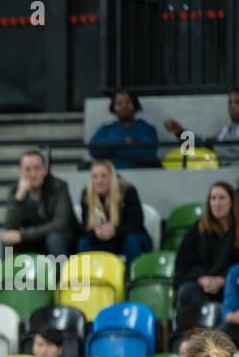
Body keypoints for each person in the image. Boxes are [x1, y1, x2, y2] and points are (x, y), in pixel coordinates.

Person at [175, 182, 239, 325]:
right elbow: (183, 264)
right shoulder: (198, 229)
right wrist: (201, 278)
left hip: (231, 288)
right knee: (187, 290)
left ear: (232, 202)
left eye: (222, 198)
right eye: (213, 198)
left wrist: (224, 280)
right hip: (202, 287)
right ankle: (192, 337)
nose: (217, 203)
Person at [77, 159, 153, 264]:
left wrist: (114, 231)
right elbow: (86, 227)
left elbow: (136, 224)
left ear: (112, 177)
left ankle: (131, 277)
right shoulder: (87, 194)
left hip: (128, 237)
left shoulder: (128, 191)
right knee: (84, 241)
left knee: (131, 240)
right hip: (104, 240)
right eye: (95, 176)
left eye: (103, 176)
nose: (99, 181)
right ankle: (85, 277)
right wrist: (96, 232)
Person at [3, 150, 77, 257]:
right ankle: (8, 273)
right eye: (27, 169)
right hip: (33, 239)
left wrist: (24, 235)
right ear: (20, 172)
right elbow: (10, 226)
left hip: (61, 237)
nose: (33, 174)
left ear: (45, 170)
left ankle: (60, 273)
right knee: (8, 239)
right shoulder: (15, 190)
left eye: (37, 168)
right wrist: (19, 196)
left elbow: (60, 224)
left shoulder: (59, 187)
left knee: (54, 239)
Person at [165, 89, 239, 166]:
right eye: (230, 103)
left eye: (237, 102)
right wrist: (179, 132)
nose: (232, 107)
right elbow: (204, 143)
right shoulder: (225, 130)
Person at [88, 89, 160, 169]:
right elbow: (93, 151)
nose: (123, 106)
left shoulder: (147, 129)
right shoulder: (106, 129)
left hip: (142, 175)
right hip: (112, 177)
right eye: (119, 103)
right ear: (113, 107)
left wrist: (111, 150)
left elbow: (148, 154)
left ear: (135, 104)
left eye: (128, 102)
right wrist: (122, 142)